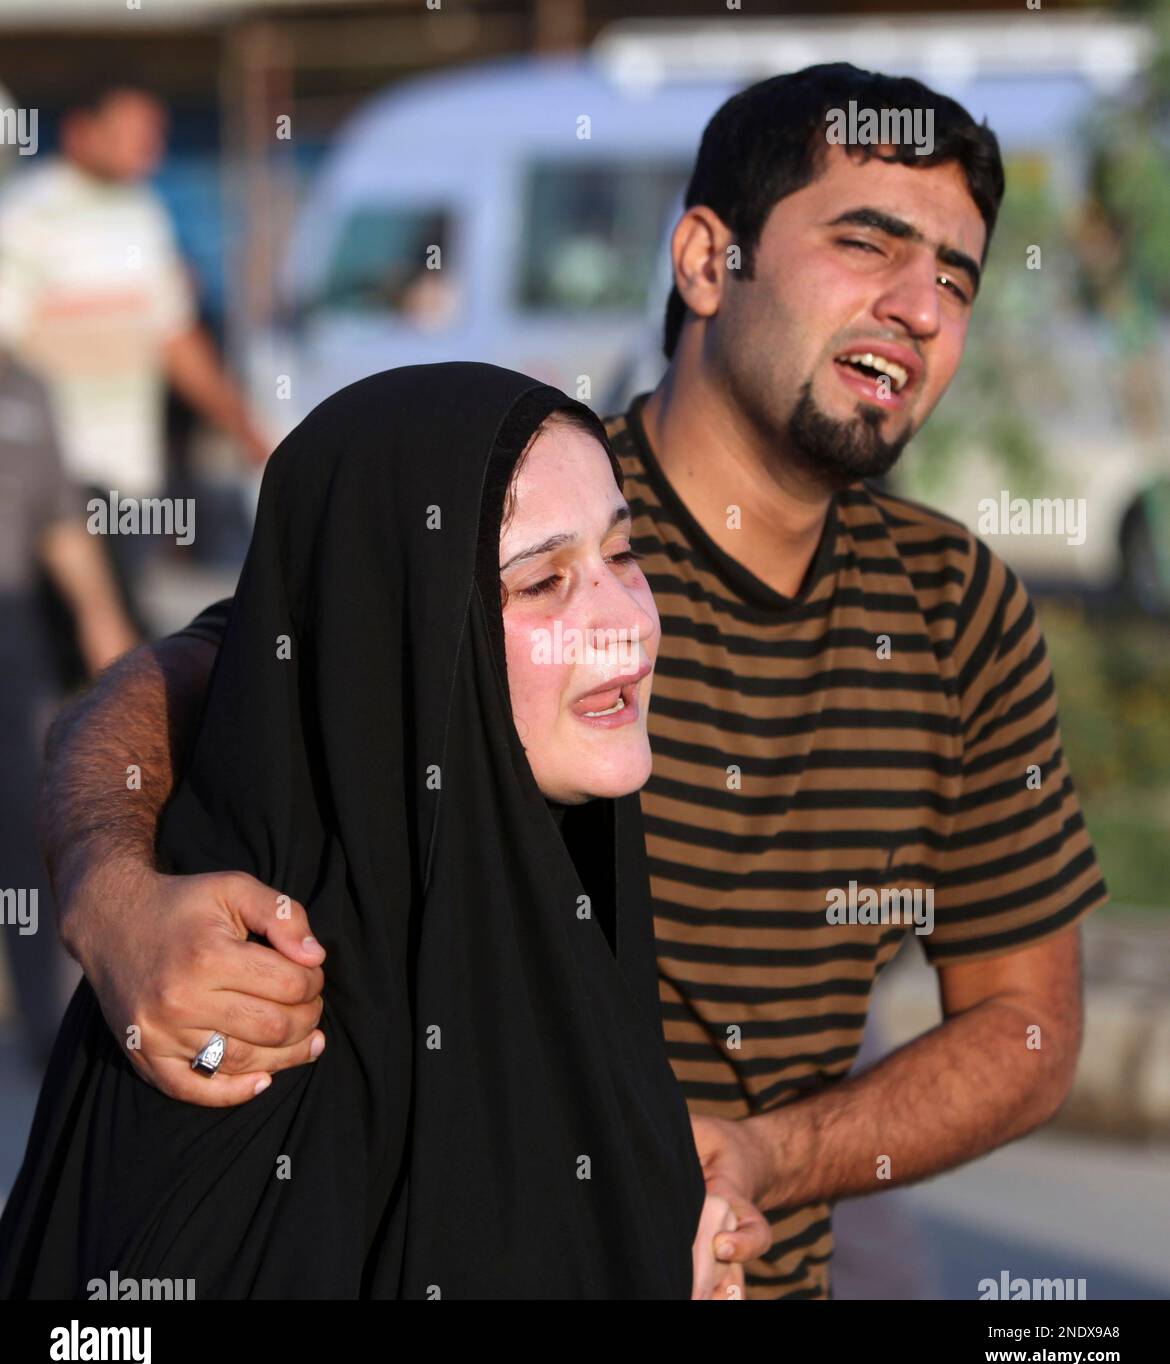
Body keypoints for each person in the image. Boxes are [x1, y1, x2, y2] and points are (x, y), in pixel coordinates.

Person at [31, 65, 1107, 1300]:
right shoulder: (531, 496)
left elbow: (1028, 1026)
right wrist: (111, 896)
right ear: (706, 260)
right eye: (869, 244)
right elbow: (190, 685)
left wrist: (767, 1157)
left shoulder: (954, 607)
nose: (918, 305)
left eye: (958, 278)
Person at [0, 361, 739, 1299]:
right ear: (402, 632)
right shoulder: (245, 1017)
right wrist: (103, 887)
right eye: (544, 582)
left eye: (624, 555)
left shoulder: (561, 930)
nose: (625, 621)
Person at [0, 81, 270, 645]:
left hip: (130, 477)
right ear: (81, 132)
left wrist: (246, 429)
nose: (148, 148)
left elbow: (175, 340)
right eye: (130, 133)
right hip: (55, 483)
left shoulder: (142, 214)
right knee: (86, 642)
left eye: (153, 134)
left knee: (110, 638)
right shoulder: (27, 215)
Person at [0, 348, 137, 1066]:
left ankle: (51, 1038)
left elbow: (59, 520)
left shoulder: (24, 387)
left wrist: (102, 618)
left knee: (36, 836)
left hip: (15, 657)